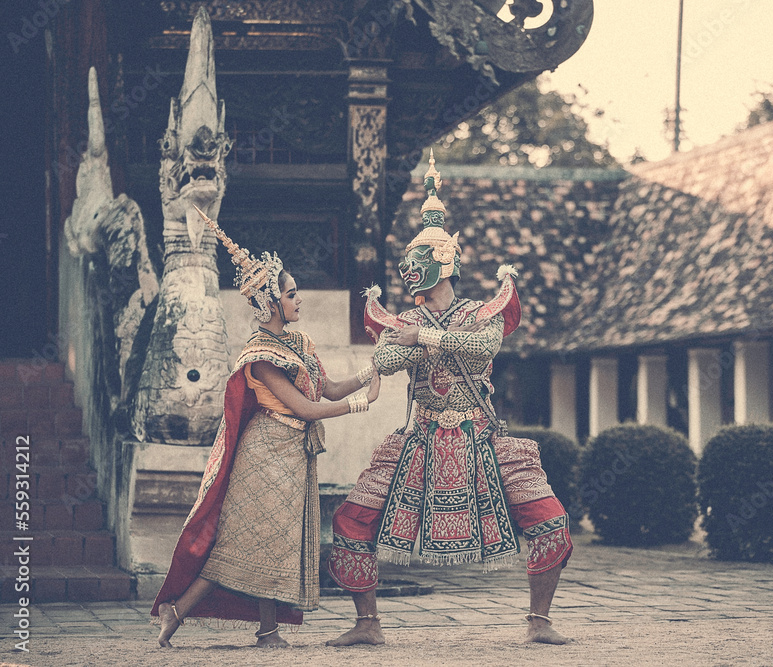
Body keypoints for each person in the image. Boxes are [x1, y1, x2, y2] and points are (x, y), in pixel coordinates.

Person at [326, 153, 573, 647]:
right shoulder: (406, 320)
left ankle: (539, 620)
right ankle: (367, 622)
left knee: (551, 522)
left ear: (441, 264)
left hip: (479, 437)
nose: (407, 271)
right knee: (350, 521)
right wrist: (405, 340)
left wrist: (426, 340)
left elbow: (484, 350)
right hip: (419, 438)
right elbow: (388, 359)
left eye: (415, 262)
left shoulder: (478, 315)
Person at [151, 206, 381, 648]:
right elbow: (305, 409)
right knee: (245, 545)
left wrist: (372, 372)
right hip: (266, 453)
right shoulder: (261, 353)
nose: (299, 300)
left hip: (292, 455)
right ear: (271, 302)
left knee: (273, 547)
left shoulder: (298, 342)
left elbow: (327, 389)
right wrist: (361, 405)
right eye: (292, 294)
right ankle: (178, 611)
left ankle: (263, 630)